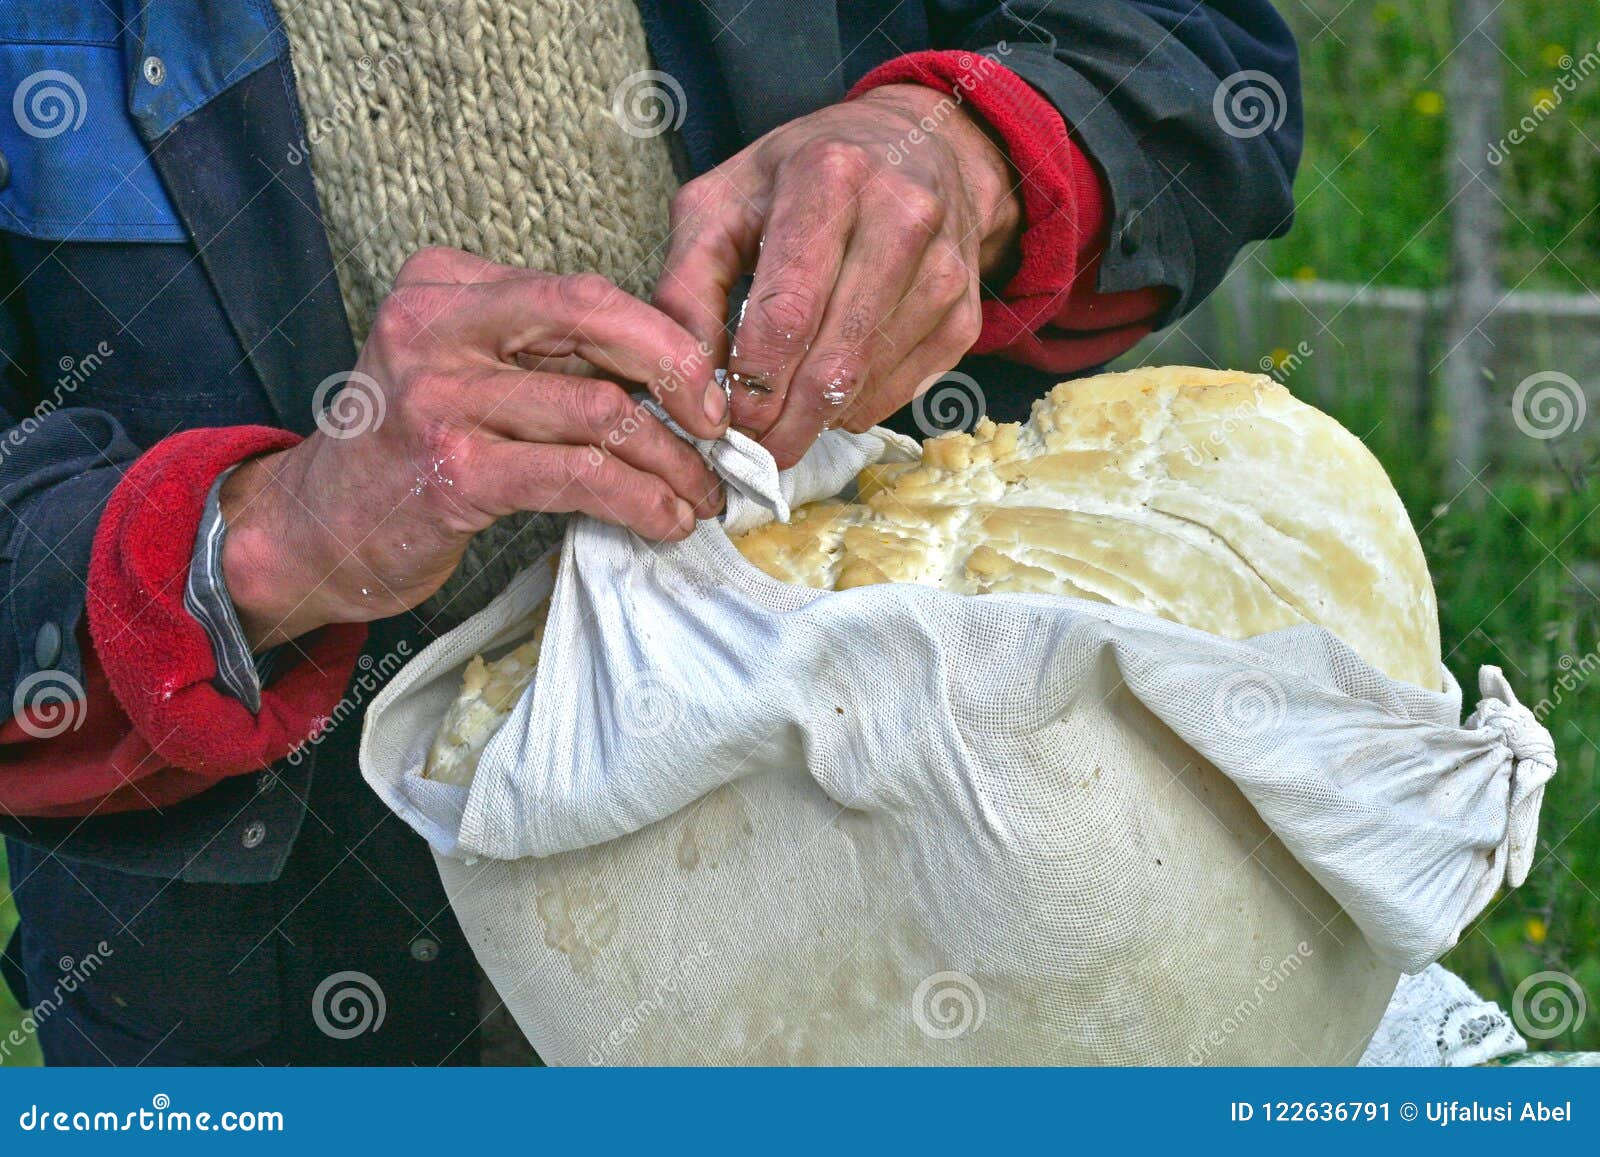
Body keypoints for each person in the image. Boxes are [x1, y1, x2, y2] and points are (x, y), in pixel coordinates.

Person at [0, 1, 1301, 1064]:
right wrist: (276, 535)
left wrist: (966, 152)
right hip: (284, 997)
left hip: (930, 886)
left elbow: (1198, 49)